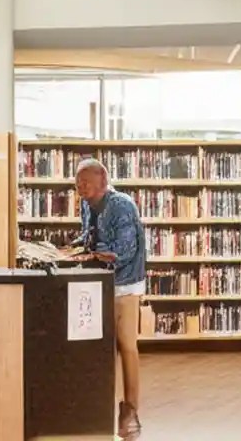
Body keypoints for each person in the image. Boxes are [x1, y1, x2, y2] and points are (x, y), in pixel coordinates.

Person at [70, 158, 147, 439]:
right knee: (101, 348)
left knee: (126, 344)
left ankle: (130, 411)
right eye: (78, 183)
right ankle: (98, 409)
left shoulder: (122, 205)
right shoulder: (87, 204)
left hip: (125, 283)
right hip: (99, 282)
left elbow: (125, 250)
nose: (80, 188)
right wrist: (74, 248)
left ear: (102, 181)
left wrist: (96, 253)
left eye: (86, 183)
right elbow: (88, 235)